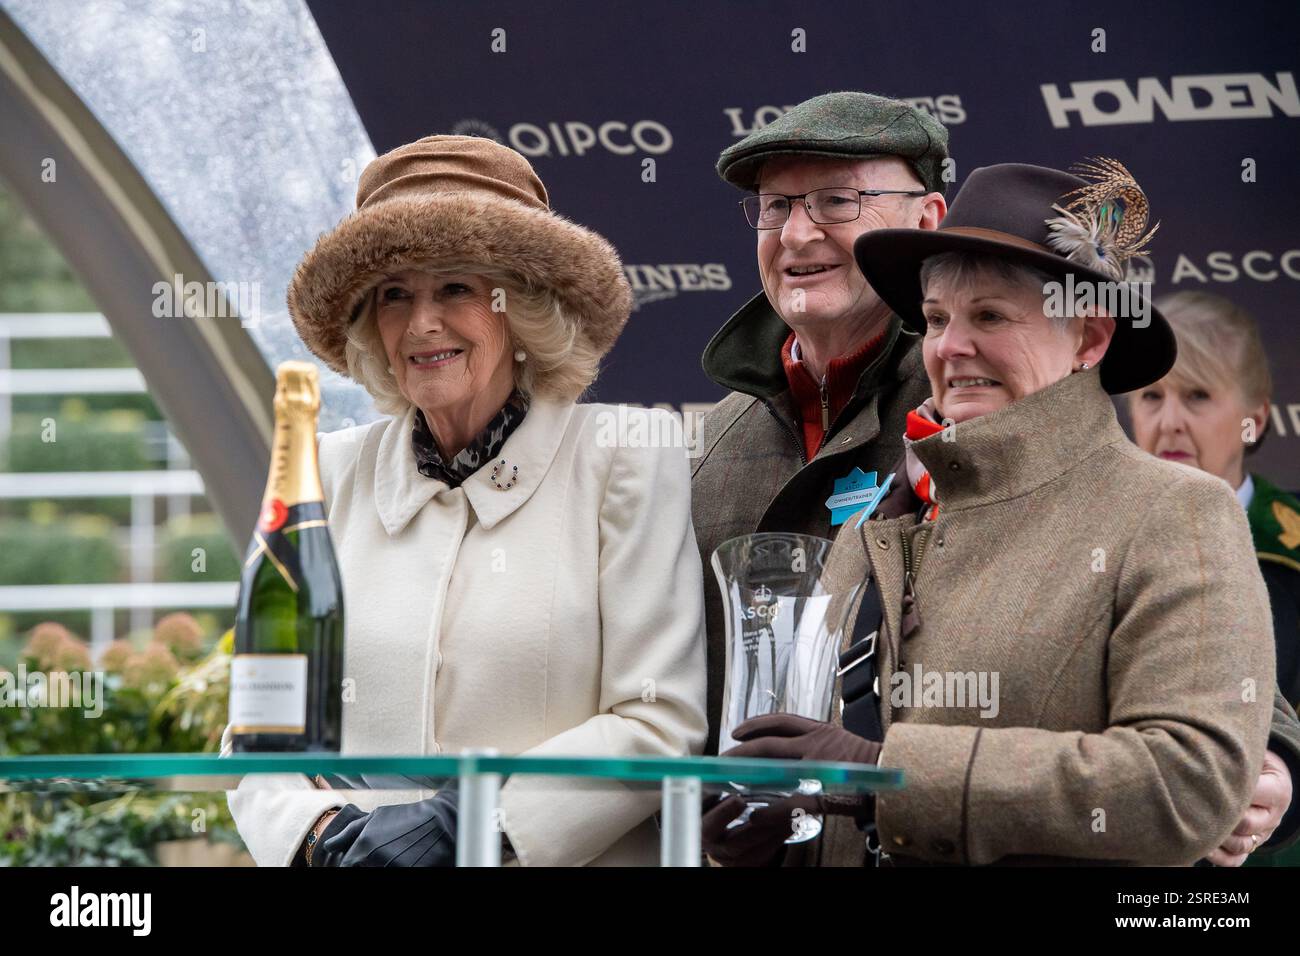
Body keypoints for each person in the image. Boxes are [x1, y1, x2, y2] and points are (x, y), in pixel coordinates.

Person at [703, 160, 1279, 866]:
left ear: (1089, 340)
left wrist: (887, 773)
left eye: (991, 316)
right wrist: (774, 844)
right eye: (938, 318)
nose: (949, 346)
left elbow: (1185, 783)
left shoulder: (1176, 513)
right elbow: (836, 797)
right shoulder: (877, 526)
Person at [222, 135, 707, 867]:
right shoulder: (326, 470)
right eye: (394, 294)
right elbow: (260, 723)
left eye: (455, 287)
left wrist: (471, 824)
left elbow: (658, 720)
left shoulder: (626, 454)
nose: (422, 324)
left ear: (523, 310)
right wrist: (320, 837)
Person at [692, 91, 948, 757]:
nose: (797, 235)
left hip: (918, 837)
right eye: (776, 206)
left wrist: (1263, 745)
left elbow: (1118, 550)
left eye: (838, 201)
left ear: (926, 221)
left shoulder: (976, 403)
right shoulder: (707, 445)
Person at [1127, 289, 1300, 865]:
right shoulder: (1090, 538)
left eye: (1197, 396)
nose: (1169, 422)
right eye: (1152, 396)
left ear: (1255, 418)